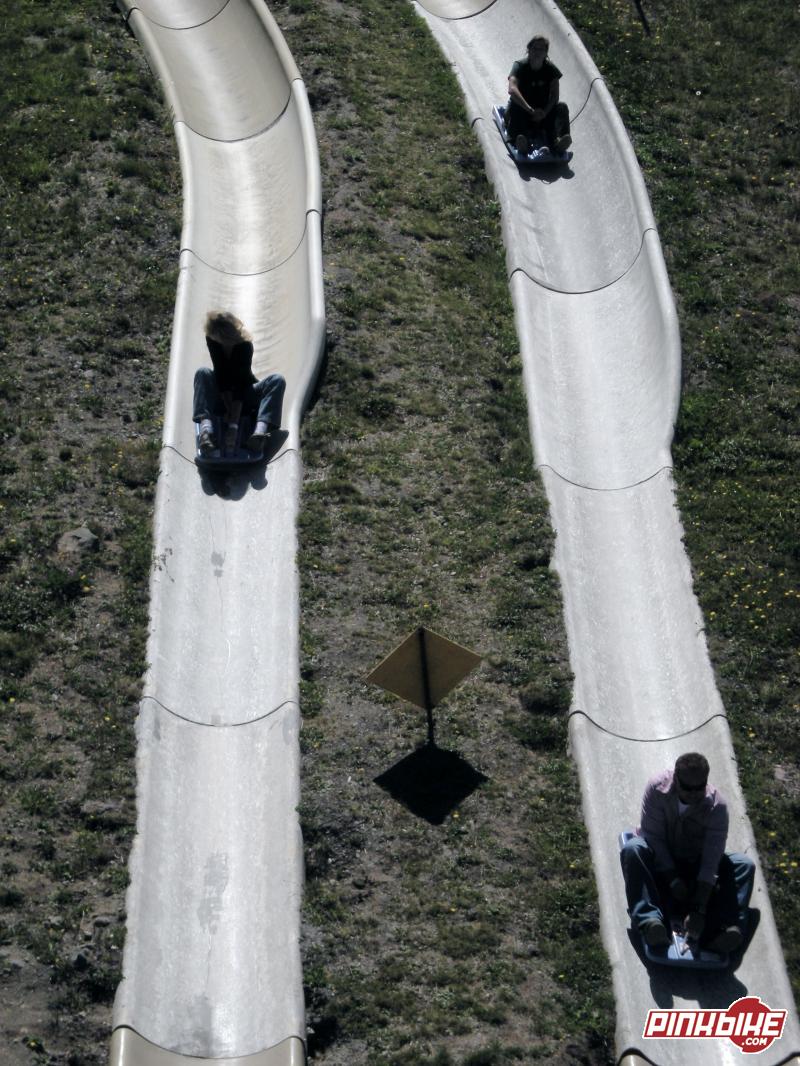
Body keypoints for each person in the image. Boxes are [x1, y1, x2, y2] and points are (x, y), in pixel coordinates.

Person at [620, 753, 755, 953]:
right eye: (687, 787)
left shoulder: (717, 808)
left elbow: (711, 859)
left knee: (744, 865)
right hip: (659, 861)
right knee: (634, 849)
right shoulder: (657, 790)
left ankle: (722, 931)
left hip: (694, 865)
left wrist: (698, 908)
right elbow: (653, 837)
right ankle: (649, 922)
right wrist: (672, 878)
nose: (693, 793)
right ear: (676, 779)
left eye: (699, 787)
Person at [193, 311, 285, 455]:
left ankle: (259, 433)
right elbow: (222, 376)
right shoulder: (213, 340)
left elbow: (240, 385)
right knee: (202, 372)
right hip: (222, 396)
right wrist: (228, 409)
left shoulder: (245, 346)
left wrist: (233, 426)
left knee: (277, 380)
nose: (215, 339)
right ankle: (206, 431)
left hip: (245, 396)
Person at [506, 35, 572, 155]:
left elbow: (554, 96)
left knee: (562, 107)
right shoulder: (520, 66)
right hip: (524, 109)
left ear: (545, 53)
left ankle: (558, 141)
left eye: (541, 49)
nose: (537, 52)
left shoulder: (551, 70)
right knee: (515, 107)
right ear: (529, 50)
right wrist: (530, 109)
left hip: (542, 112)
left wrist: (544, 112)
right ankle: (521, 142)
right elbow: (512, 89)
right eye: (535, 48)